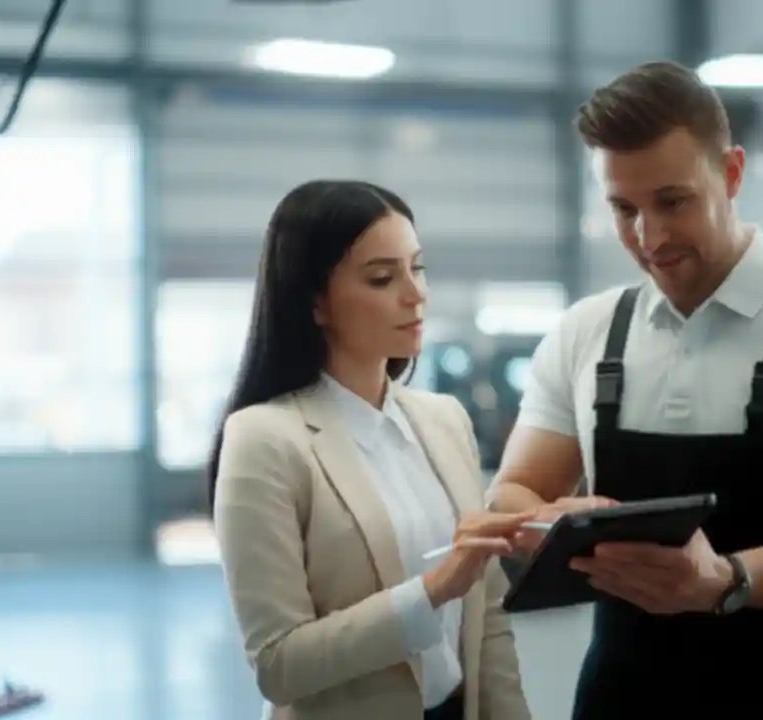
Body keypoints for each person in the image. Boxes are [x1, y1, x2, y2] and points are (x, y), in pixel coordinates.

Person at [487, 61, 763, 718]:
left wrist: (723, 580)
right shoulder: (586, 333)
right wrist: (558, 521)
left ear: (733, 174)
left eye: (673, 202)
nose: (649, 238)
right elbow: (513, 493)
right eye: (623, 209)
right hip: (623, 693)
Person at [210, 180, 533, 720]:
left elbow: (488, 622)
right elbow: (279, 663)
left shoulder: (445, 420)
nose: (416, 293)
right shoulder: (265, 439)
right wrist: (430, 592)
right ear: (315, 302)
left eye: (418, 268)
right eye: (383, 278)